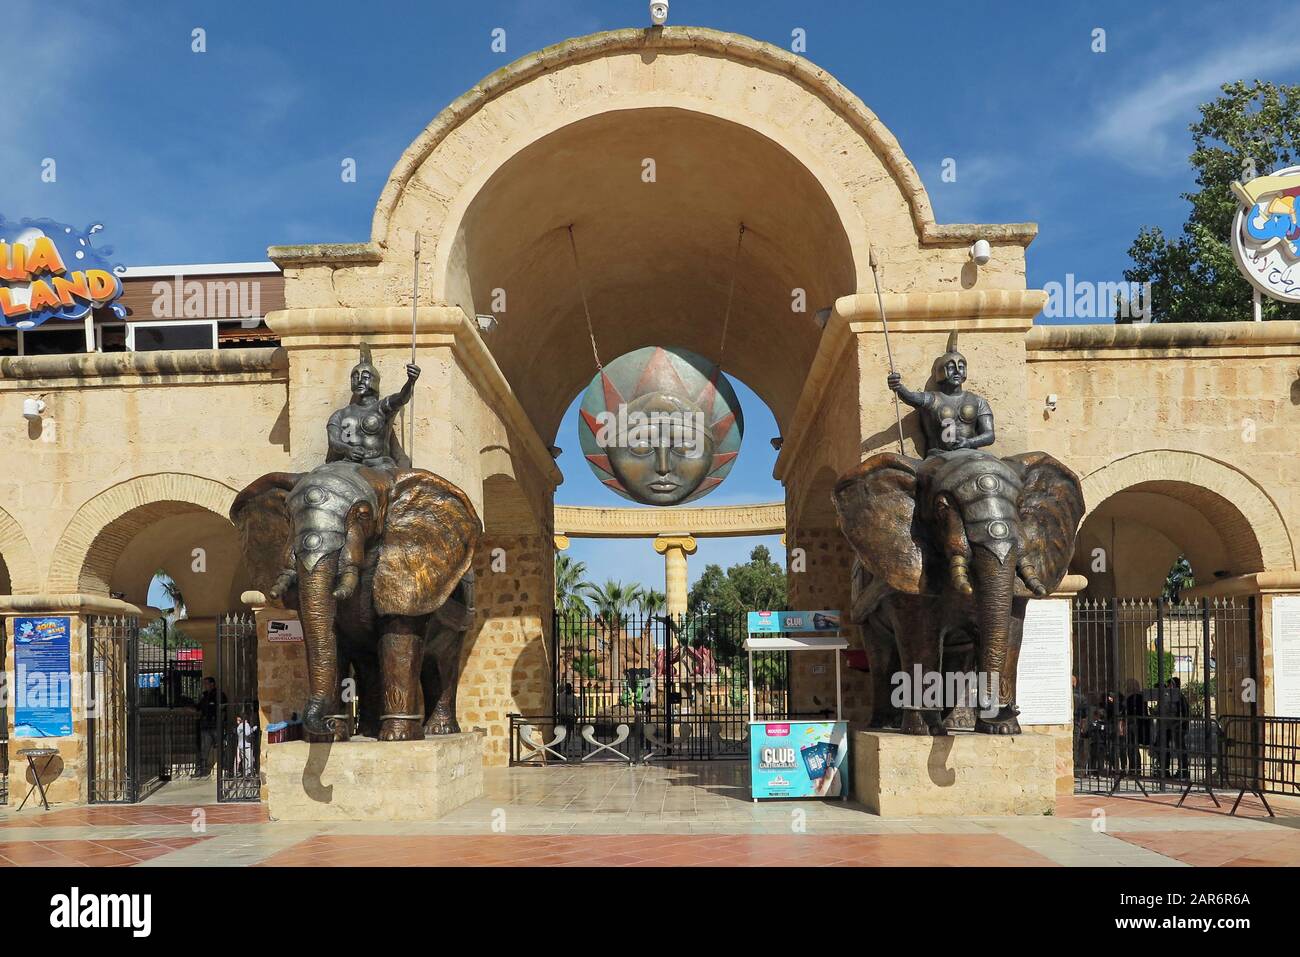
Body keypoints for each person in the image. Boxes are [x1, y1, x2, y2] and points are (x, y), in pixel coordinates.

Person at [197, 677, 226, 776]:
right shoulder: (204, 696)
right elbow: (199, 707)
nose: (205, 686)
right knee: (204, 749)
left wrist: (221, 721)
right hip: (206, 726)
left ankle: (224, 769)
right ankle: (202, 770)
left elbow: (223, 708)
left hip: (216, 725)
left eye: (206, 683)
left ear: (212, 684)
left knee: (221, 748)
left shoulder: (219, 695)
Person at [234, 711, 259, 776]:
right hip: (247, 745)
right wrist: (253, 729)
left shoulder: (238, 727)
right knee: (250, 759)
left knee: (244, 760)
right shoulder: (246, 725)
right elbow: (248, 733)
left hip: (241, 746)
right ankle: (249, 773)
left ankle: (245, 773)